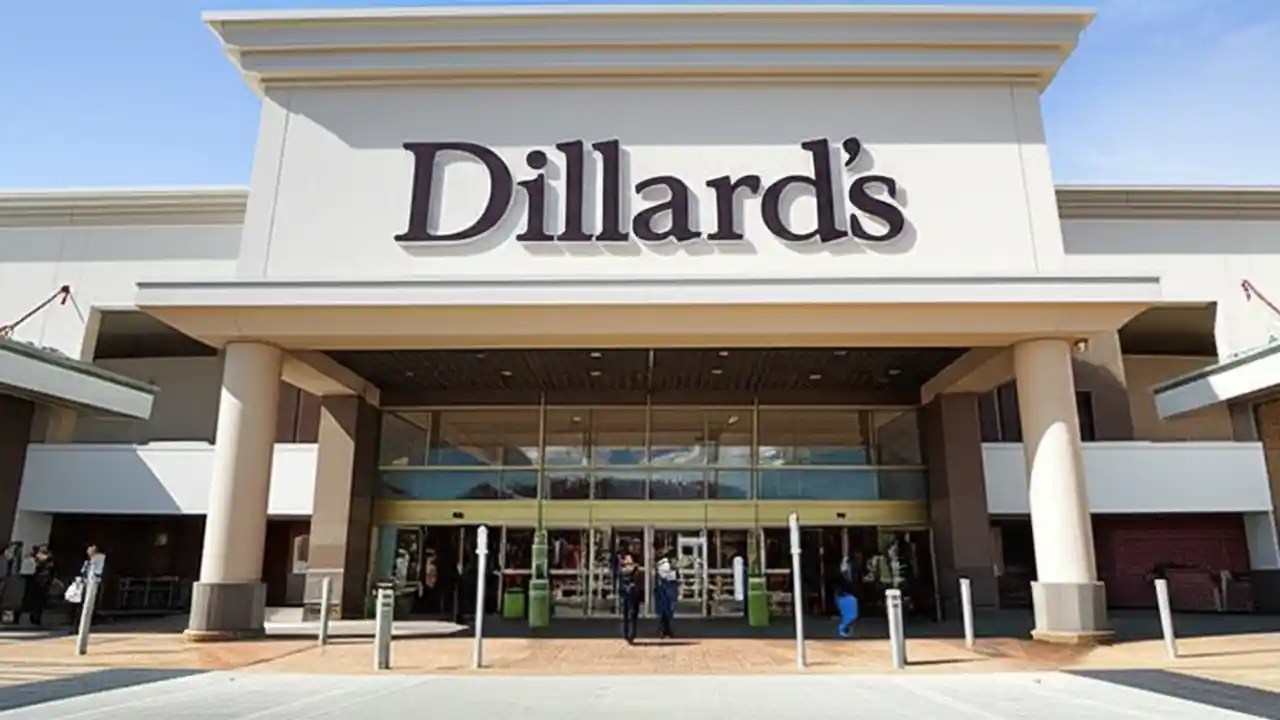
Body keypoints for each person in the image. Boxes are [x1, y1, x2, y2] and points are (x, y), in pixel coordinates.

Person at [19, 546, 53, 627]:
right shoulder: (40, 561)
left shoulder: (47, 562)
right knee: (35, 603)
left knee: (37, 603)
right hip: (37, 583)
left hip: (40, 584)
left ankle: (35, 618)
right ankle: (34, 618)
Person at [654, 548, 679, 640]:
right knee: (665, 612)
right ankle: (664, 630)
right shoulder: (664, 565)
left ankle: (666, 630)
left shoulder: (665, 564)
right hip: (665, 590)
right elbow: (667, 576)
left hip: (667, 590)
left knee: (667, 612)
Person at [618, 552, 641, 644]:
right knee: (626, 615)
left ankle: (631, 634)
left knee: (632, 615)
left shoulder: (634, 569)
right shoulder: (623, 570)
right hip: (626, 594)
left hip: (632, 594)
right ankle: (627, 634)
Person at [834, 556, 859, 639]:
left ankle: (846, 630)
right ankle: (843, 630)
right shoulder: (841, 576)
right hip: (843, 596)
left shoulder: (851, 575)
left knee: (852, 614)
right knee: (848, 615)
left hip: (849, 596)